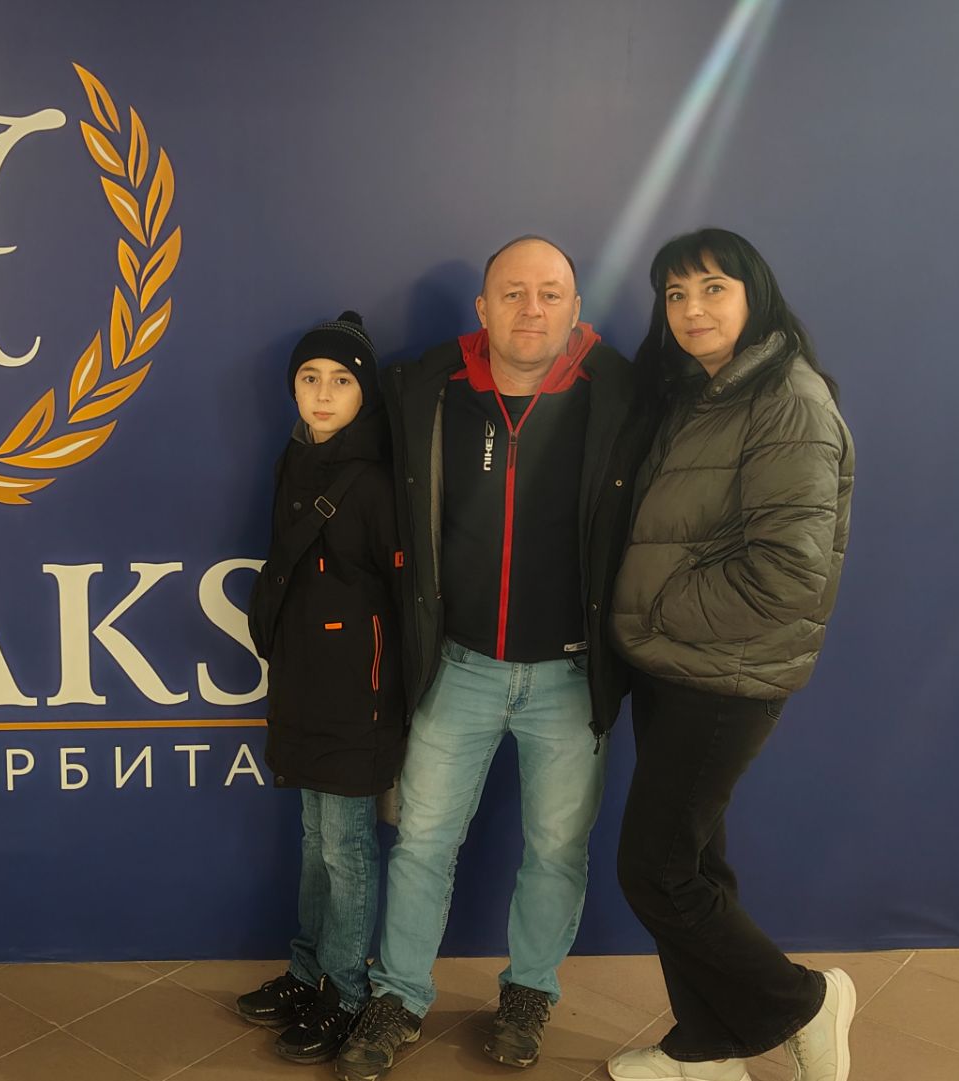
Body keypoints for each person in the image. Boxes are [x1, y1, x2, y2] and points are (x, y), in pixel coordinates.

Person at [335, 236, 653, 1080]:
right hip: (460, 666)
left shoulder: (621, 394)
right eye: (513, 293)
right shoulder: (428, 389)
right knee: (421, 841)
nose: (531, 309)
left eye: (550, 293)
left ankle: (529, 993)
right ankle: (399, 994)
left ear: (575, 307)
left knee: (557, 848)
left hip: (572, 675)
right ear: (483, 308)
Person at [604, 228, 856, 1081]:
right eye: (675, 294)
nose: (692, 309)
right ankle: (706, 1047)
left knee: (655, 869)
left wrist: (653, 603)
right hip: (674, 664)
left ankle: (803, 1001)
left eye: (713, 288)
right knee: (697, 862)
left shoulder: (789, 401)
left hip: (725, 674)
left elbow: (786, 575)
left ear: (755, 294)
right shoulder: (702, 393)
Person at [238, 311, 407, 1065]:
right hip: (301, 681)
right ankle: (307, 974)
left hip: (356, 693)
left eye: (341, 379)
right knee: (315, 841)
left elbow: (404, 596)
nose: (324, 393)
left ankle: (346, 990)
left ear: (364, 392)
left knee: (346, 845)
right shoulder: (294, 459)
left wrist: (390, 690)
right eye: (310, 378)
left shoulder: (374, 478)